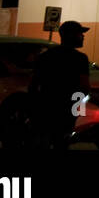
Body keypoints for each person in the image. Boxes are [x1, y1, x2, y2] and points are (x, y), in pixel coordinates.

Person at [29, 21, 91, 150]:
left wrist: (35, 106)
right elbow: (84, 87)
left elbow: (34, 84)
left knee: (43, 140)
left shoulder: (45, 56)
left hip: (46, 106)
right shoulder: (80, 59)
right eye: (80, 34)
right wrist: (77, 108)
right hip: (67, 109)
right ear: (72, 35)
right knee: (61, 142)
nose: (83, 37)